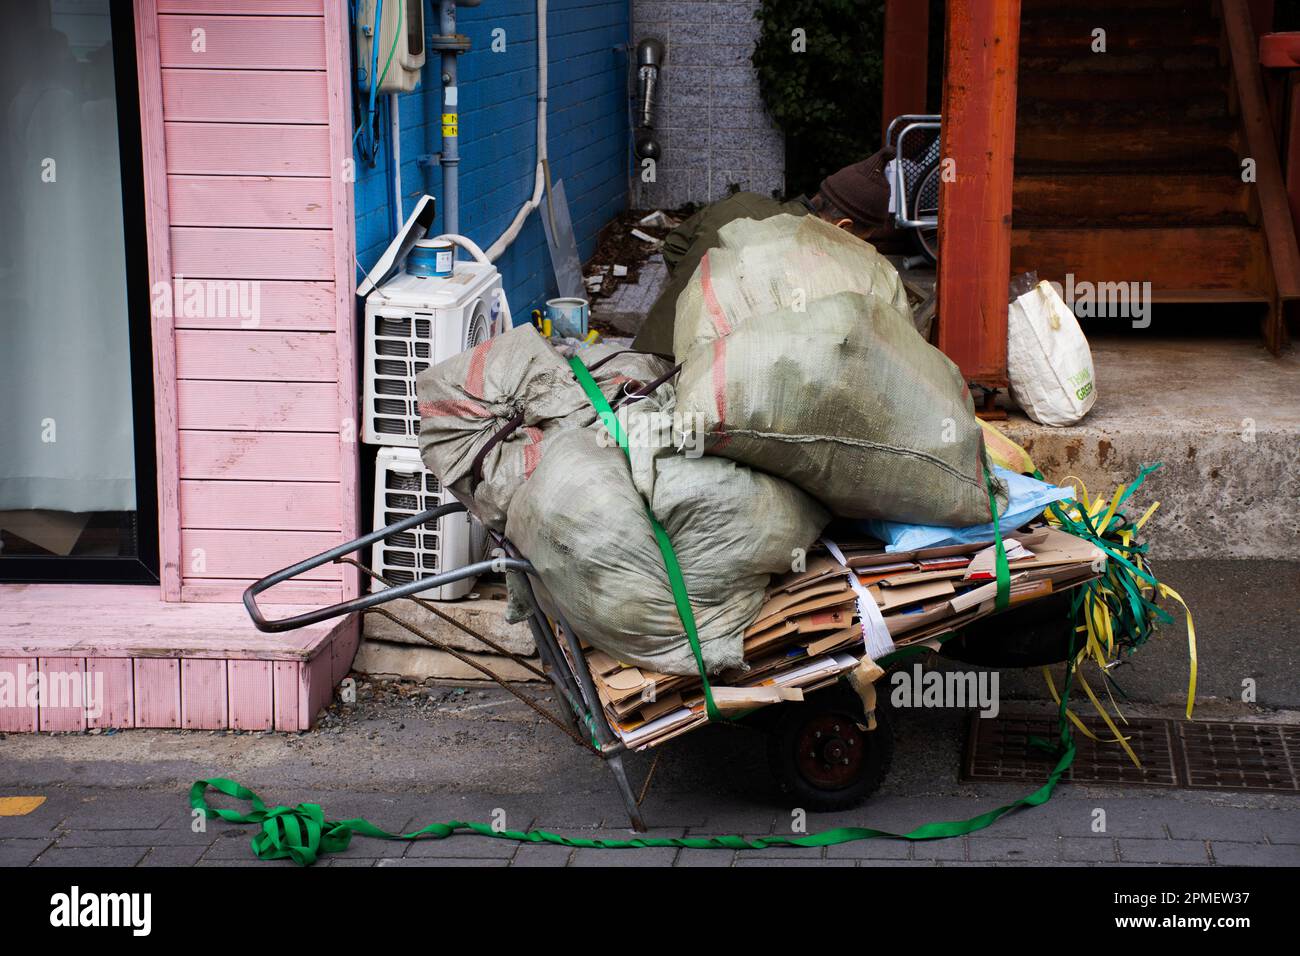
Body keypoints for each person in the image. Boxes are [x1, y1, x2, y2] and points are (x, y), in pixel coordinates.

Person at [632, 146, 895, 354]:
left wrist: (694, 289)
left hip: (650, 347)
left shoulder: (741, 203)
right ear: (843, 227)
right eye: (860, 241)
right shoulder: (812, 262)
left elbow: (674, 247)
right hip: (697, 373)